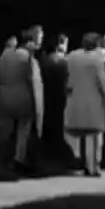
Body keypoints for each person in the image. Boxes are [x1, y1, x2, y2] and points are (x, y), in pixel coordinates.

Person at [0, 28, 44, 175]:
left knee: (7, 130)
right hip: (23, 98)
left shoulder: (3, 58)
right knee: (24, 130)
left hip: (5, 97)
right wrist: (38, 108)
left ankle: (2, 157)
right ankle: (19, 159)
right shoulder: (29, 59)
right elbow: (34, 83)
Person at [64, 33, 105, 176]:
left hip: (76, 98)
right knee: (95, 135)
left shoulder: (72, 57)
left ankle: (84, 163)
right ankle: (94, 166)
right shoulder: (98, 60)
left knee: (82, 134)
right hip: (94, 100)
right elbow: (102, 81)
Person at [39, 32, 72, 166]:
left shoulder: (44, 60)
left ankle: (47, 153)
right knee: (58, 125)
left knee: (48, 124)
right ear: (60, 45)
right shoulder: (62, 61)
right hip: (59, 96)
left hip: (46, 95)